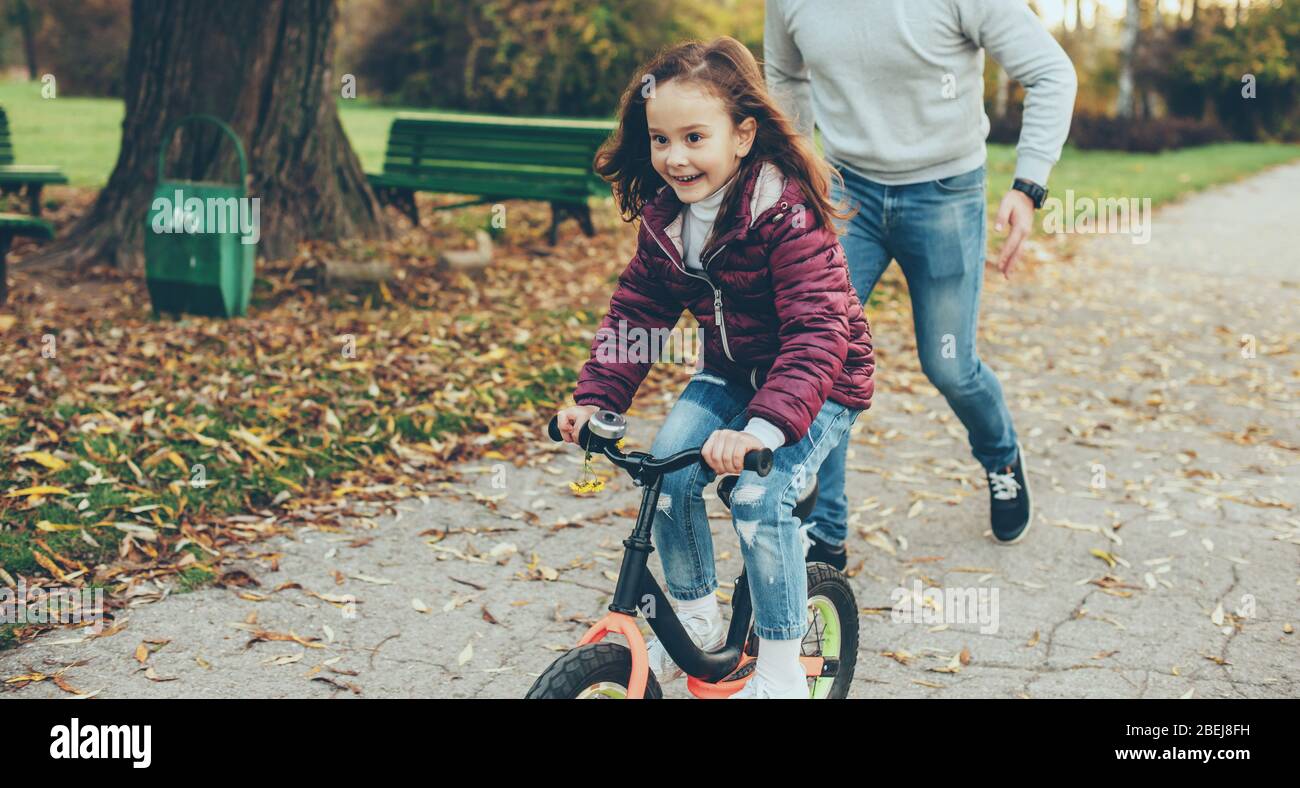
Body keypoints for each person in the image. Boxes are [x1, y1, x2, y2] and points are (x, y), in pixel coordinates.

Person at [552, 37, 875, 698]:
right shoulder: (667, 218)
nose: (674, 156)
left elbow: (819, 331)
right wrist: (596, 401)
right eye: (660, 139)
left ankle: (783, 670)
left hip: (821, 382)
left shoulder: (784, 211)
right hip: (733, 374)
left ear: (742, 135)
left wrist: (763, 431)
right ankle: (699, 629)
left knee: (760, 498)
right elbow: (639, 309)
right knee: (665, 476)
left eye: (694, 136)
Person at [764, 0, 1079, 565]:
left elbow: (1051, 71)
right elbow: (785, 75)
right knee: (821, 353)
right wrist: (799, 164)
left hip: (945, 193)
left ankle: (1001, 457)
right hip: (843, 193)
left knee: (950, 364)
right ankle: (825, 530)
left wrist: (1029, 185)